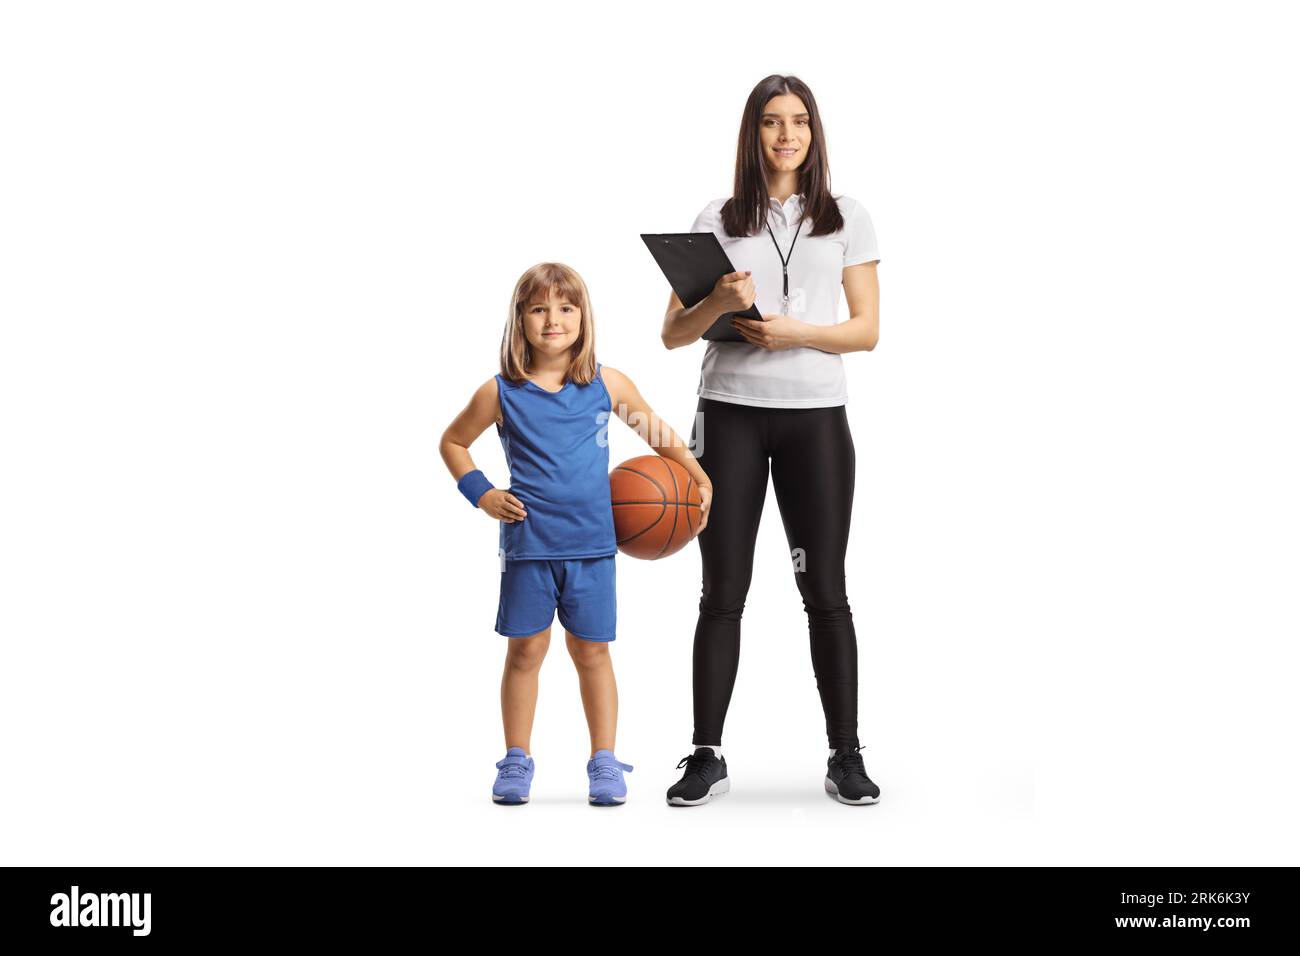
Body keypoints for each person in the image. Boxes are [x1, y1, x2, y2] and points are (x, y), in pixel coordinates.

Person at [659, 75, 883, 806]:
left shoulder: (846, 217)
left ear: (814, 133)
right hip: (727, 413)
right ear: (751, 134)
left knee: (826, 591)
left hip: (815, 417)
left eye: (798, 122)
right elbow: (672, 333)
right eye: (770, 123)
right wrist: (719, 300)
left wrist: (797, 333)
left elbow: (867, 330)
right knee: (721, 591)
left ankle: (845, 755)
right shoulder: (716, 216)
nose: (786, 136)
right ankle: (705, 754)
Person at [440, 262, 713, 806]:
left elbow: (658, 433)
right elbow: (452, 442)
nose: (552, 320)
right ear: (519, 319)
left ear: (584, 317)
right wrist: (484, 493)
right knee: (525, 653)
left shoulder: (606, 384)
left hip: (593, 548)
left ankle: (604, 761)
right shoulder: (500, 392)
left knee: (592, 654)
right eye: (538, 308)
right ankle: (516, 759)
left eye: (566, 308)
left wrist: (699, 475)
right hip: (529, 547)